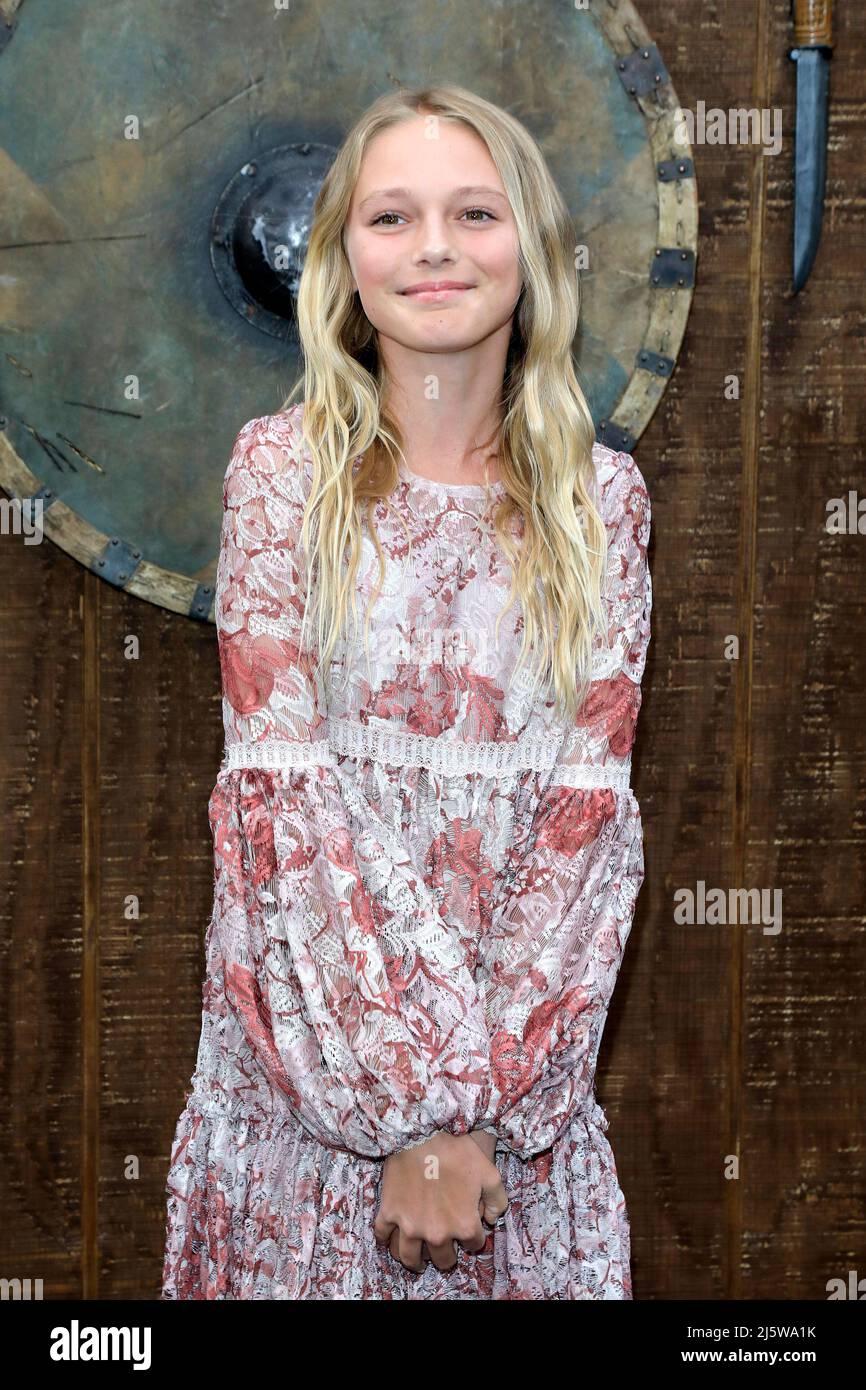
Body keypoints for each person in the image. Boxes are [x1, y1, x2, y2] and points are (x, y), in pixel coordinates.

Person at [161, 83, 652, 1300]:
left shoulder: (607, 505)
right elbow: (287, 822)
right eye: (391, 216)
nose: (433, 245)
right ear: (340, 262)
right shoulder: (279, 479)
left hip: (510, 1142)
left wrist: (473, 1126)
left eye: (473, 212)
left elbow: (583, 836)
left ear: (530, 253)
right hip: (314, 1107)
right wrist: (408, 1116)